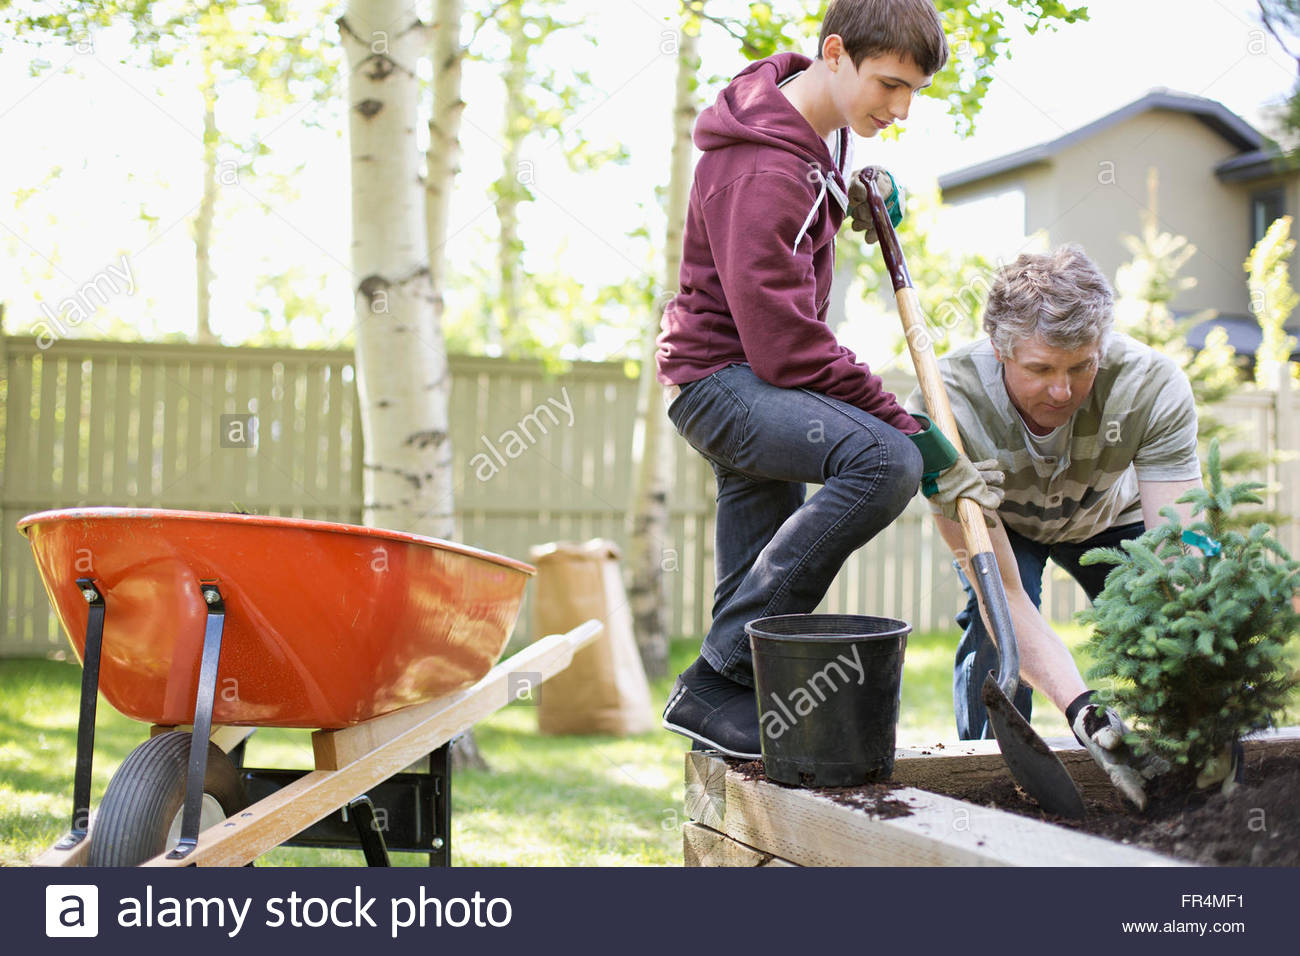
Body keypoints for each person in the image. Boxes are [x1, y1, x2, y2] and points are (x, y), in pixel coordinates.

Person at [656, 0, 1001, 760]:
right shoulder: (761, 166)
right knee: (887, 462)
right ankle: (714, 679)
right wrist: (912, 427)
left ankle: (726, 726)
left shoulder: (820, 120)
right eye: (889, 85)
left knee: (753, 569)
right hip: (726, 380)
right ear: (836, 53)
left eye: (914, 91)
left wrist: (859, 188)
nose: (901, 108)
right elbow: (787, 349)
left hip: (748, 378)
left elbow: (810, 191)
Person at [907, 244, 1205, 807]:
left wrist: (1199, 666)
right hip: (1009, 523)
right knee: (990, 618)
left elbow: (1180, 545)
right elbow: (1008, 598)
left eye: (1081, 366)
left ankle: (1181, 766)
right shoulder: (946, 407)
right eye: (1041, 369)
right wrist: (1084, 713)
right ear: (999, 350)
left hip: (1107, 517)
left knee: (1159, 613)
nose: (1063, 391)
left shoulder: (1151, 386)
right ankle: (984, 778)